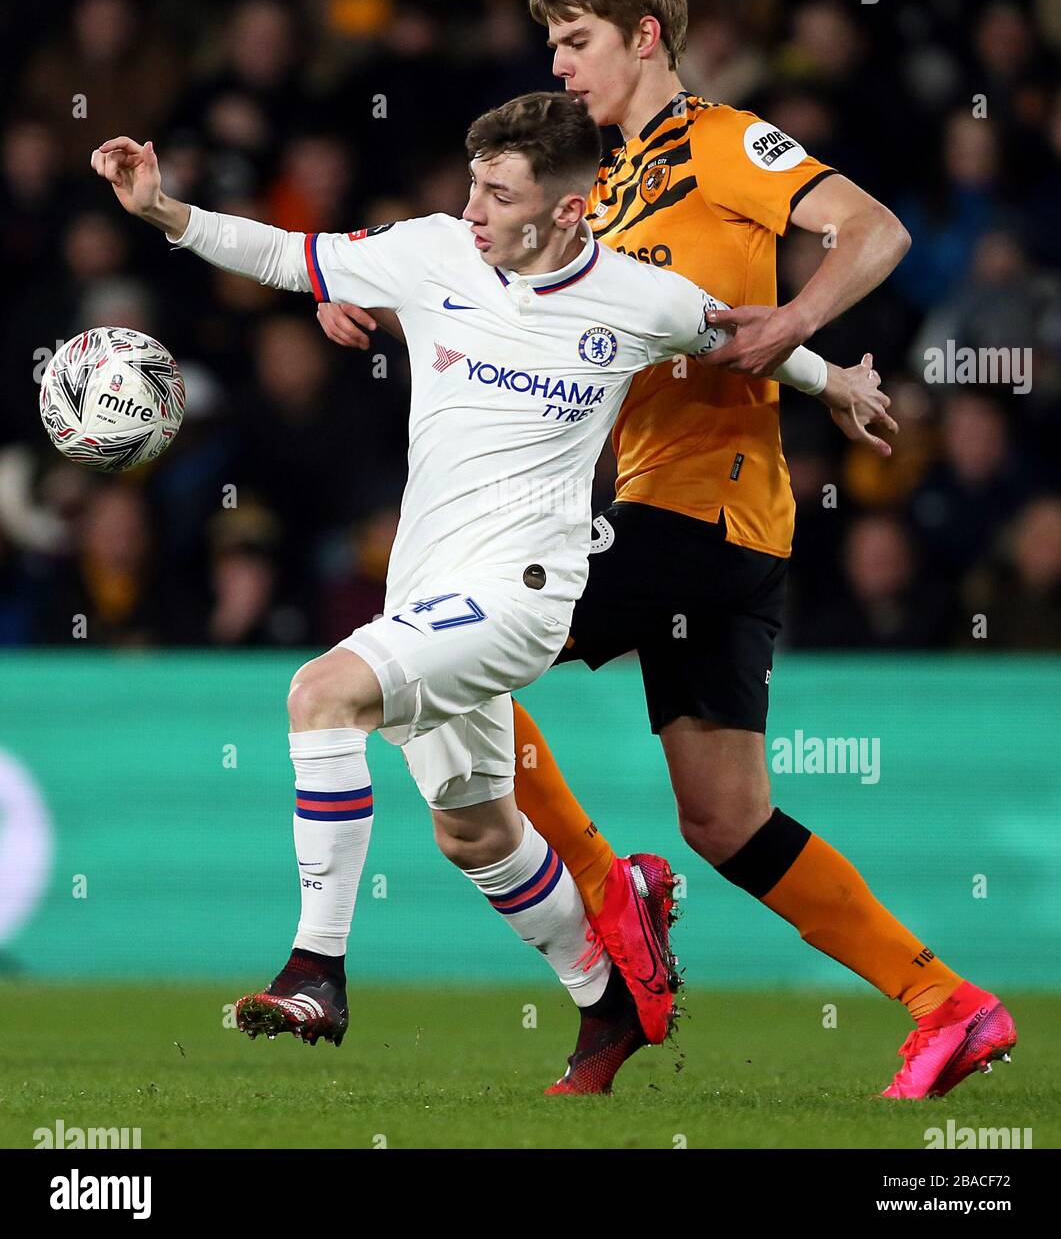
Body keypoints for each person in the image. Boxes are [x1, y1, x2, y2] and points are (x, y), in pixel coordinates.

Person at [320, 0, 1017, 1100]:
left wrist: (798, 323)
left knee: (443, 668)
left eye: (577, 39)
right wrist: (361, 289)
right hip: (702, 523)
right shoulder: (601, 178)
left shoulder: (723, 143)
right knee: (726, 817)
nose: (560, 61)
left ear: (645, 37)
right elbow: (504, 281)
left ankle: (606, 898)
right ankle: (945, 1000)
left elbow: (875, 231)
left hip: (695, 510)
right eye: (550, 39)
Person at [90, 91, 892, 1093]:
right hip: (423, 594)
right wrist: (163, 211)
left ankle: (316, 968)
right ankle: (604, 1002)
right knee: (472, 829)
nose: (473, 207)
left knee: (320, 694)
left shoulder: (638, 299)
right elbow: (283, 255)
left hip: (521, 594)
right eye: (472, 181)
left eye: (498, 191)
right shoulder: (432, 250)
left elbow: (743, 334)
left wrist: (841, 384)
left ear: (564, 210)